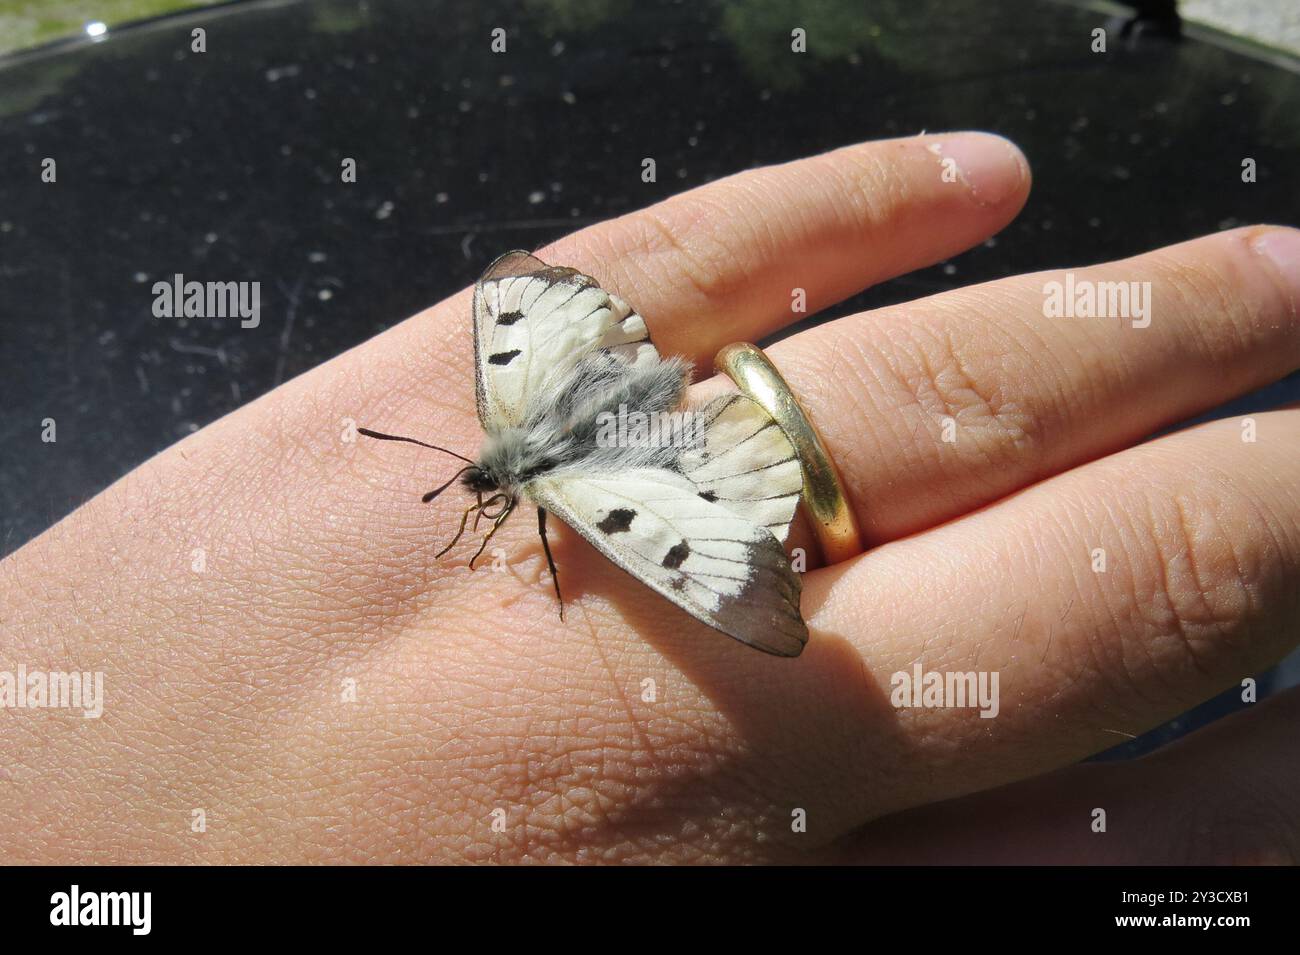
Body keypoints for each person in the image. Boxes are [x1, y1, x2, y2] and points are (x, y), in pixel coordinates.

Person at [2, 132, 1297, 864]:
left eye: (481, 485)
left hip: (609, 449)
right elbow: (521, 306)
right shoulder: (507, 395)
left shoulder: (525, 469)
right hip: (590, 403)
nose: (480, 496)